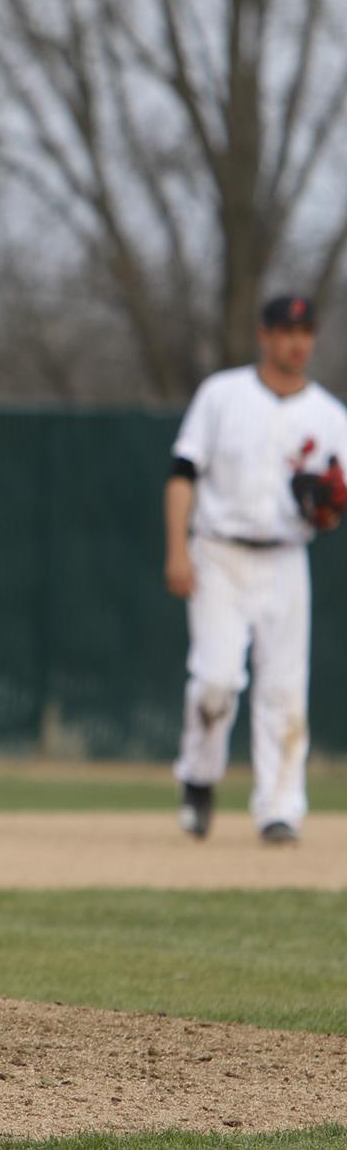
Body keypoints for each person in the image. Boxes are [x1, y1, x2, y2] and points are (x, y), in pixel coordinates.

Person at [165, 293, 347, 845]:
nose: (298, 341)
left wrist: (329, 510)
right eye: (287, 330)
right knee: (216, 681)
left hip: (286, 558)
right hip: (218, 552)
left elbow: (334, 505)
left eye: (306, 331)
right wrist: (177, 549)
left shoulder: (331, 416)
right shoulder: (223, 394)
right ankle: (199, 778)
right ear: (263, 335)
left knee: (285, 690)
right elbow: (182, 471)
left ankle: (280, 809)